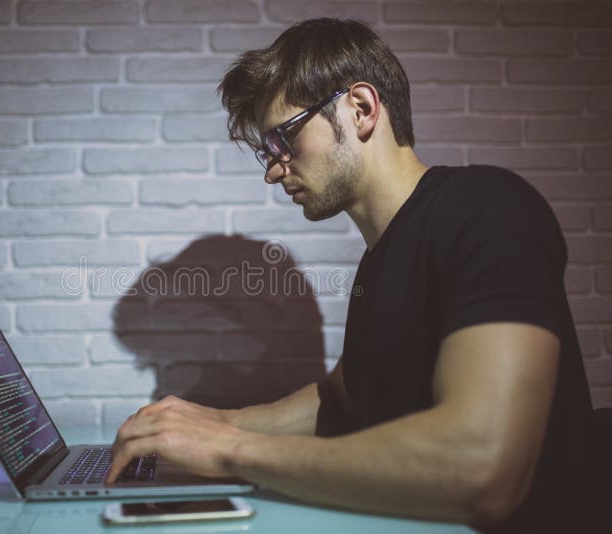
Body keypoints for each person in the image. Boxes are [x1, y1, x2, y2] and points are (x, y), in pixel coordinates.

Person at [106, 18, 596, 533]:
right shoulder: (383, 256)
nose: (273, 170)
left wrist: (230, 448)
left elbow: (480, 467)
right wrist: (206, 424)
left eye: (283, 139)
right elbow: (342, 397)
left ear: (360, 109)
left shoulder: (486, 208)